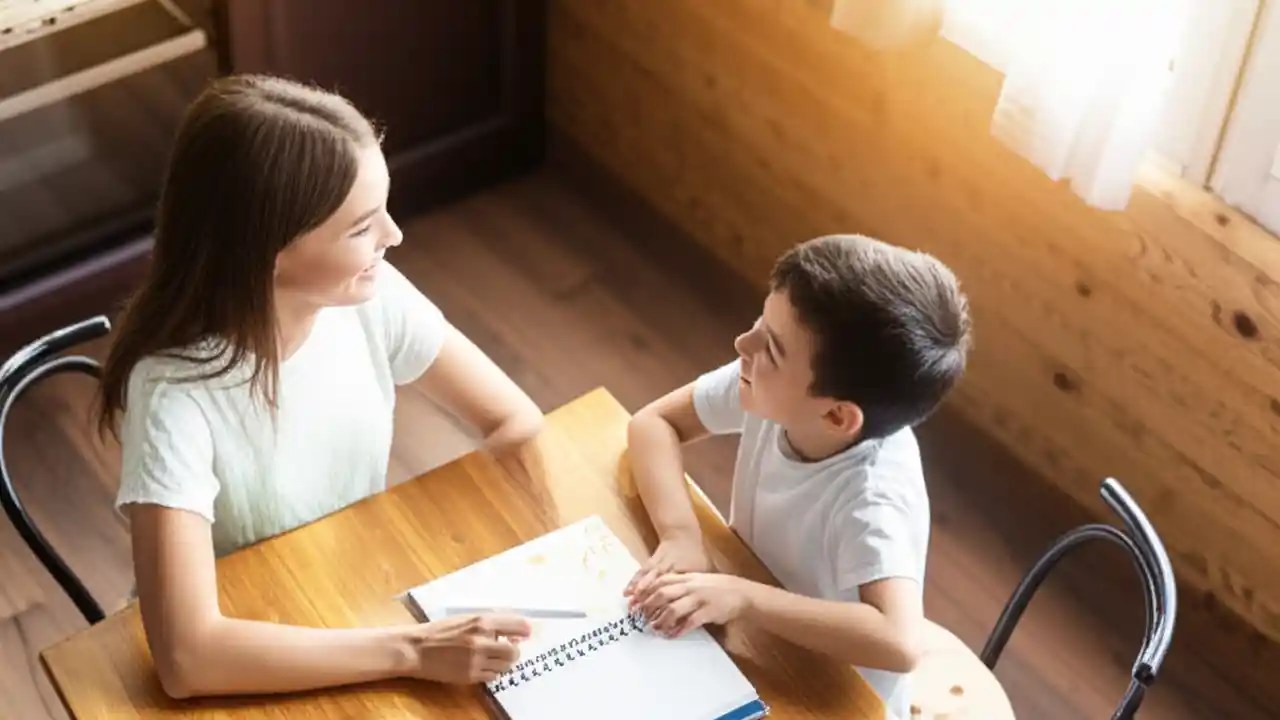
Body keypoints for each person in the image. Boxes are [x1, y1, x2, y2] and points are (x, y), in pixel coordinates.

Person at [96, 74, 543, 699]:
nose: (394, 236)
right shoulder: (176, 394)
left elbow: (515, 423)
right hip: (250, 653)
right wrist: (412, 647)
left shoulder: (371, 296)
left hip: (347, 601)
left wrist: (455, 576)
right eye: (362, 227)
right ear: (270, 249)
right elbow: (187, 658)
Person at [623, 234, 972, 717]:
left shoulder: (871, 499)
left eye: (773, 347)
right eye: (761, 323)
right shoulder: (775, 388)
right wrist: (681, 535)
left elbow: (899, 642)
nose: (744, 344)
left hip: (836, 691)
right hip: (760, 637)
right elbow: (651, 424)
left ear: (836, 417)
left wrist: (745, 598)